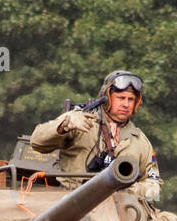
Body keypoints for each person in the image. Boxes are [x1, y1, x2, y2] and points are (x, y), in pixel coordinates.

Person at [29, 70, 162, 198]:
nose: (126, 104)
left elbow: (154, 185)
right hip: (71, 203)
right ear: (108, 98)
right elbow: (37, 142)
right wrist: (63, 125)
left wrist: (125, 190)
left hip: (119, 209)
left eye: (131, 99)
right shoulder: (79, 121)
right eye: (121, 98)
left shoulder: (140, 142)